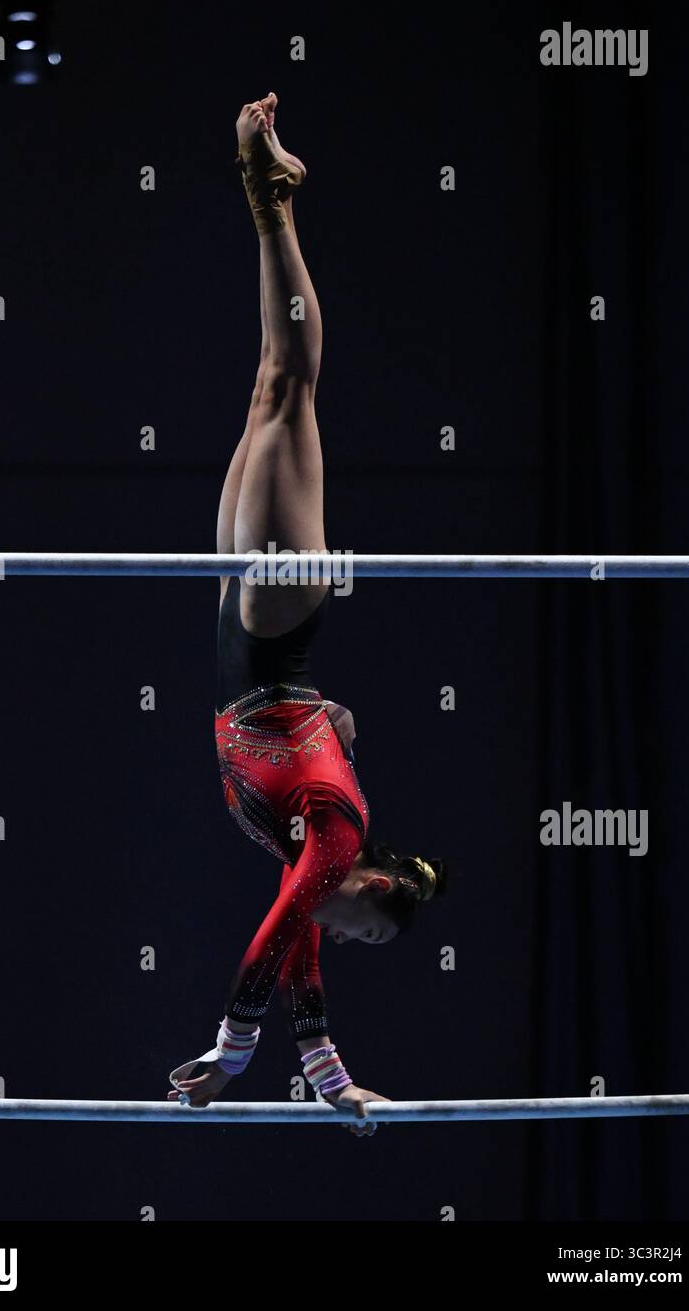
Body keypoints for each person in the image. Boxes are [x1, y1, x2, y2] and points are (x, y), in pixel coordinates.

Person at [168, 95, 445, 1134]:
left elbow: (300, 946)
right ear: (370, 879)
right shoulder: (332, 840)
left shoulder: (317, 855)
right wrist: (235, 1055)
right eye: (371, 929)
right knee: (291, 384)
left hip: (250, 644)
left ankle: (265, 191)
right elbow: (282, 934)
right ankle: (266, 189)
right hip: (274, 632)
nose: (350, 936)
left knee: (264, 391)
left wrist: (333, 1085)